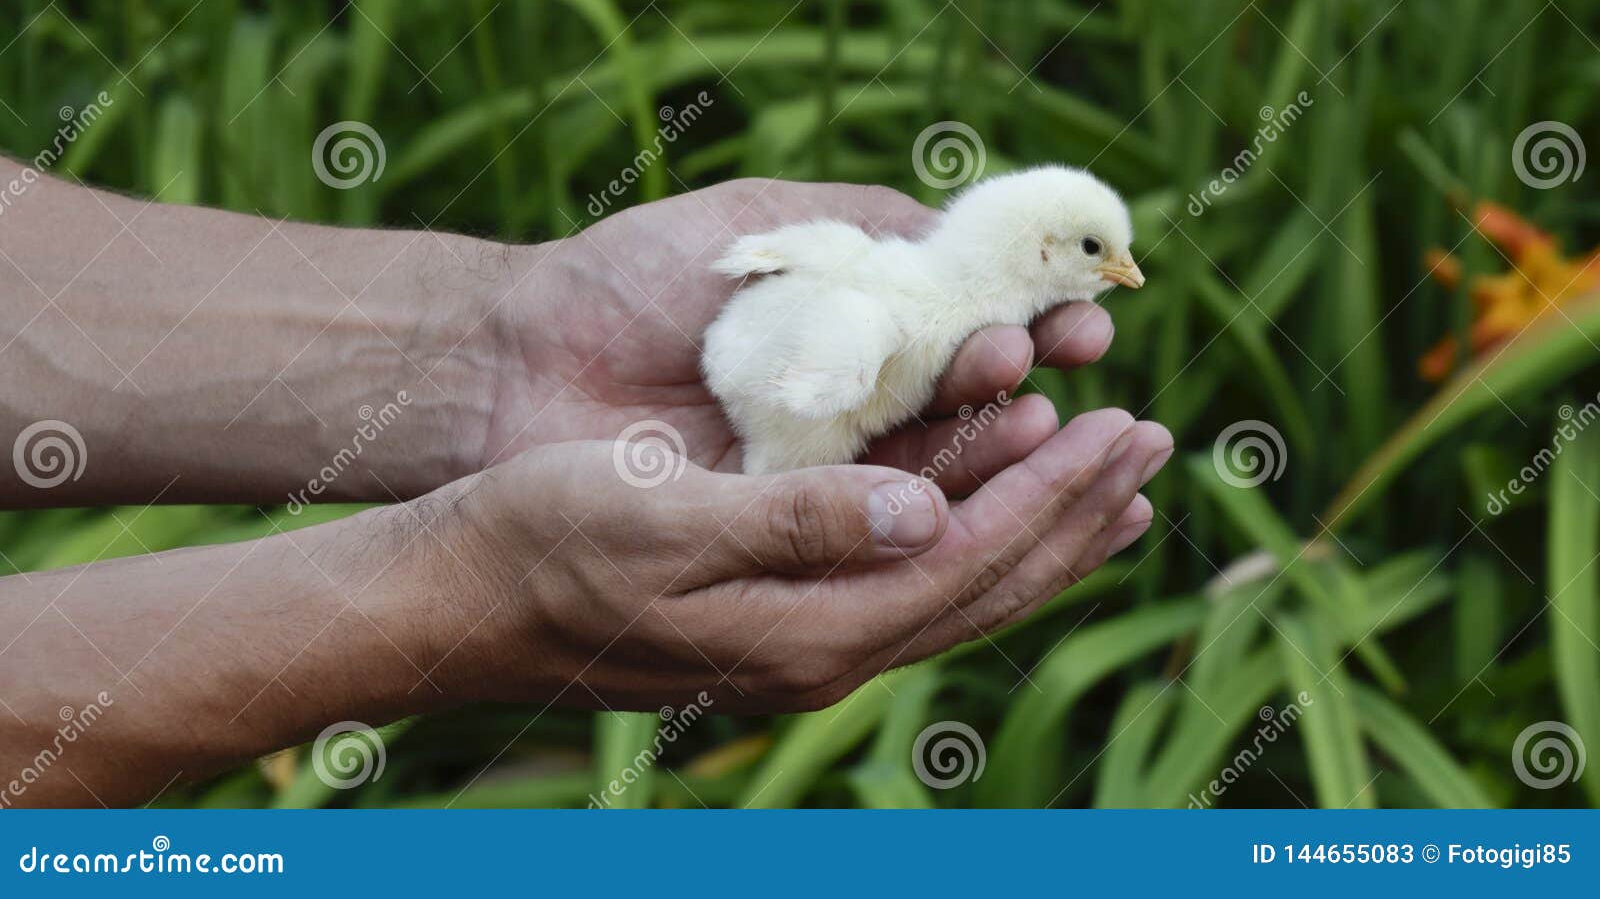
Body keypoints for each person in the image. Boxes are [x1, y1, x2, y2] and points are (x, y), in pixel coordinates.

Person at [0, 160, 1172, 806]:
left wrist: (488, 347)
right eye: (1091, 252)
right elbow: (812, 374)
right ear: (1032, 253)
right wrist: (464, 594)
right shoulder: (880, 308)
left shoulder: (883, 284)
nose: (1118, 271)